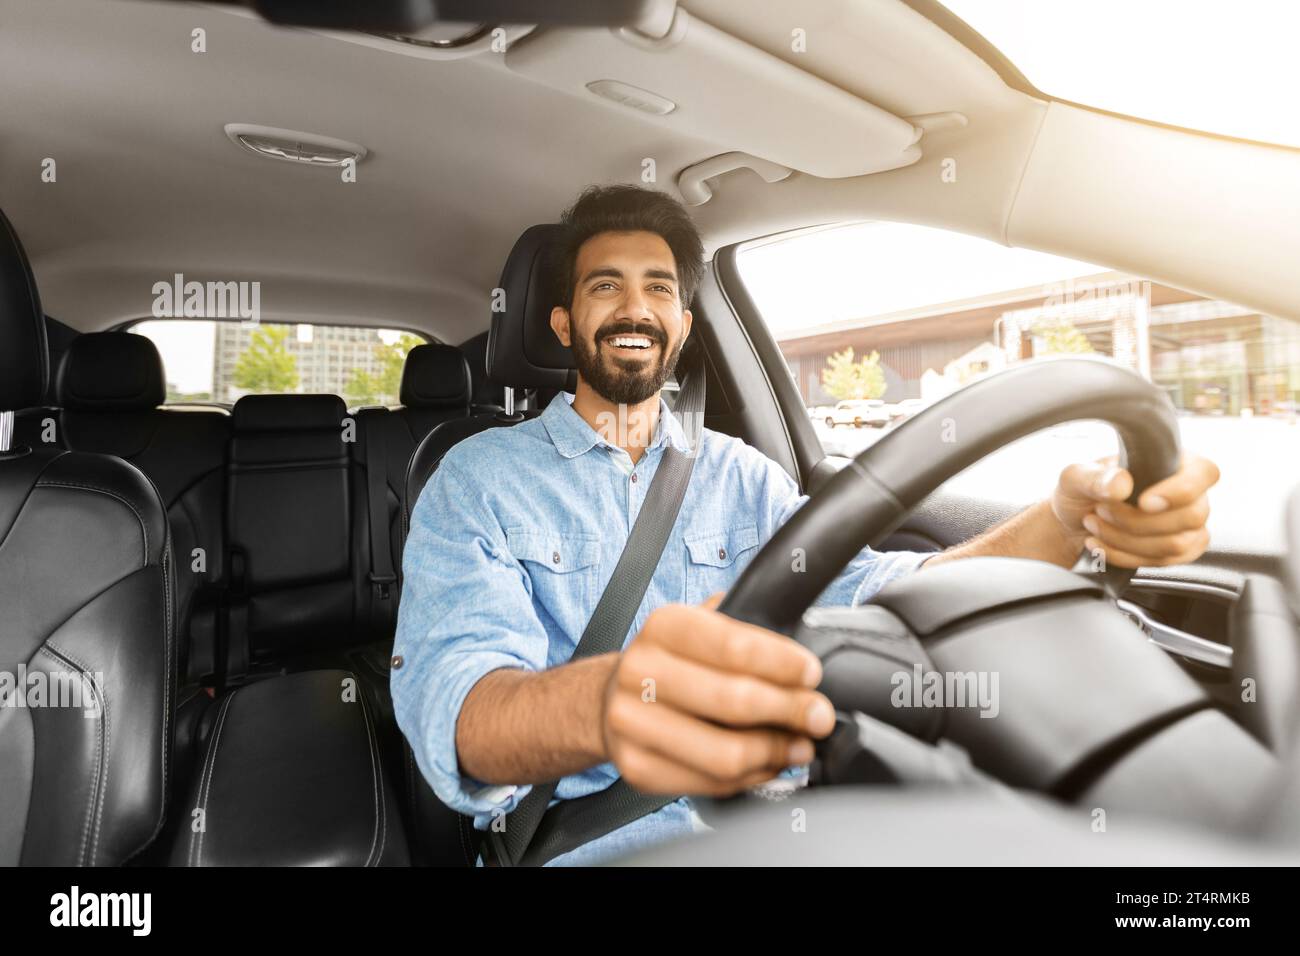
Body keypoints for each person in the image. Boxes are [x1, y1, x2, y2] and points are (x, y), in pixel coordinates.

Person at [391, 184, 1219, 865]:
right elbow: (454, 704)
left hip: (797, 823)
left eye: (659, 289)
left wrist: (1066, 521)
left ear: (681, 326)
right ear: (565, 323)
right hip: (596, 846)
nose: (634, 307)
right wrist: (616, 700)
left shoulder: (743, 477)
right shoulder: (479, 479)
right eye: (605, 285)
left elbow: (889, 595)